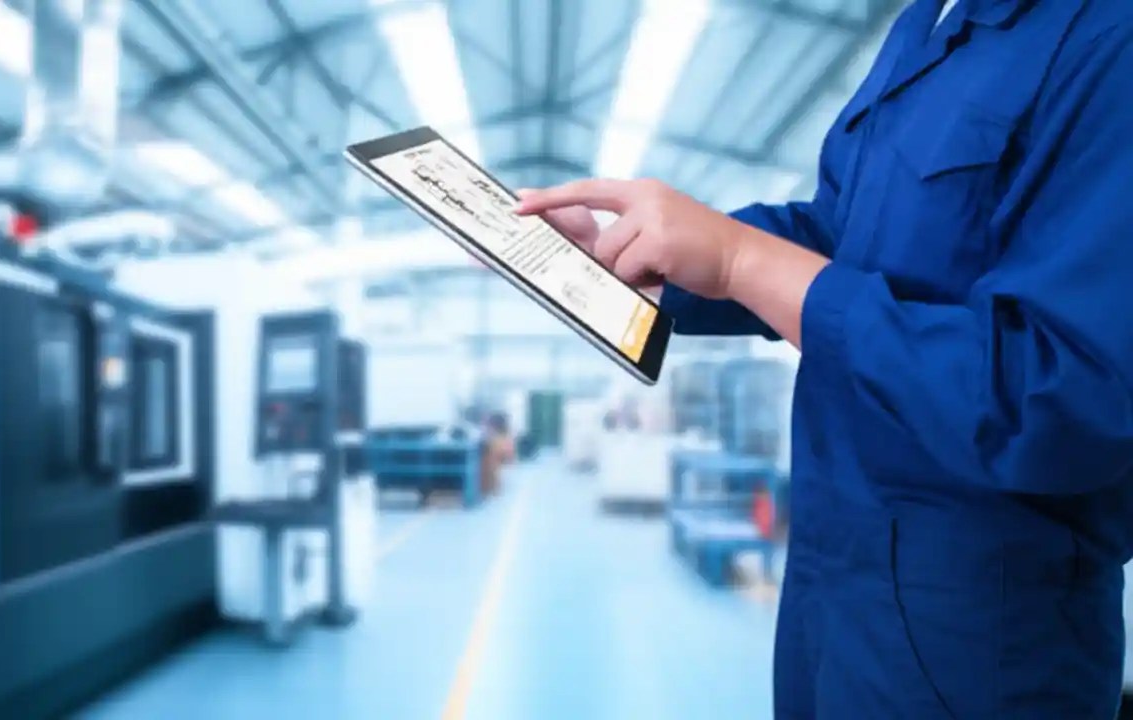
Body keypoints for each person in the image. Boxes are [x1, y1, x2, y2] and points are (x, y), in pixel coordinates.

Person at [516, 0, 1133, 717]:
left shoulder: (1108, 35)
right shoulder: (923, 26)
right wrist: (624, 257)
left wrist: (742, 260)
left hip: (980, 629)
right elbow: (837, 238)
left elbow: (1063, 397)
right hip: (830, 583)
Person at [480, 412, 516, 497]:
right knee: (487, 459)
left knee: (487, 460)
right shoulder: (501, 434)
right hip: (500, 455)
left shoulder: (499, 437)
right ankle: (489, 486)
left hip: (500, 455)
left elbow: (501, 449)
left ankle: (489, 486)